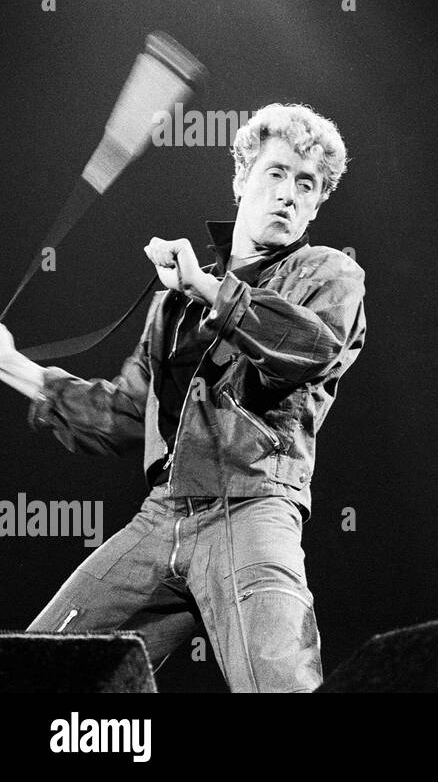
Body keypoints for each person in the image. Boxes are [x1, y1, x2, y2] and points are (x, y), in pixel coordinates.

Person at [0, 103, 366, 691]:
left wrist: (204, 285)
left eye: (308, 185)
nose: (290, 194)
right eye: (276, 174)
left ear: (317, 205)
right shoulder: (173, 304)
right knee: (36, 672)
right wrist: (13, 365)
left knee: (281, 684)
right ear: (242, 178)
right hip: (161, 514)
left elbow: (307, 347)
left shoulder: (326, 273)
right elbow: (124, 415)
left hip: (251, 506)